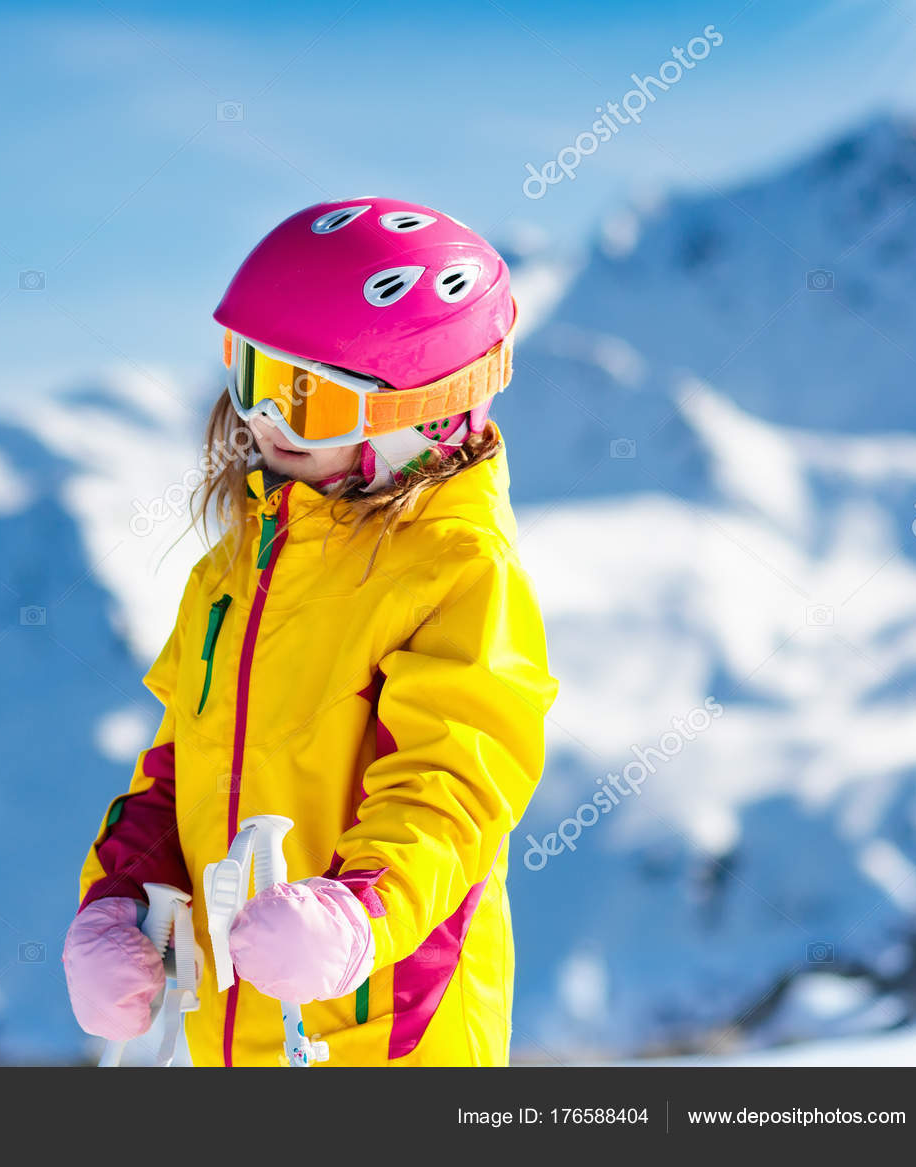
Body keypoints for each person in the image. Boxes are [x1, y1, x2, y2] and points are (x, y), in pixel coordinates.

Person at [64, 198, 558, 1066]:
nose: (263, 419)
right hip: (230, 1038)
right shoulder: (237, 568)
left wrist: (357, 914)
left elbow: (453, 788)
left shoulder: (458, 572)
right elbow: (179, 767)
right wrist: (121, 896)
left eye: (307, 399)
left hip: (386, 1036)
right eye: (253, 375)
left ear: (427, 414)